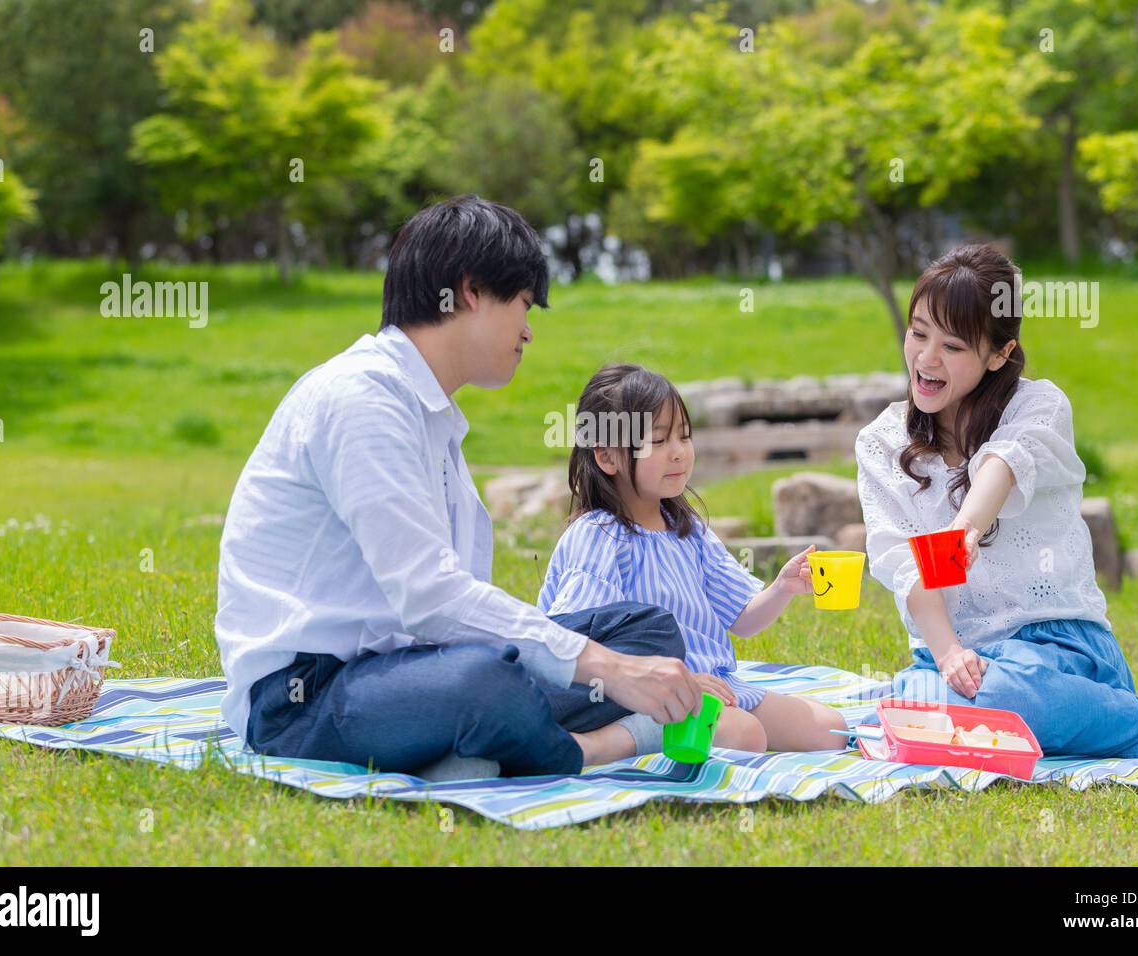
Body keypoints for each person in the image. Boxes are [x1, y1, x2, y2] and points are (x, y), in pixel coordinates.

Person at [214, 195, 700, 781]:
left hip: (409, 670)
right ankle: (589, 748)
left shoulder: (433, 417)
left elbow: (455, 609)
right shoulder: (360, 400)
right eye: (523, 305)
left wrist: (608, 659)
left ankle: (478, 744)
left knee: (645, 632)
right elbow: (430, 597)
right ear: (471, 291)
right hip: (305, 698)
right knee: (486, 681)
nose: (527, 332)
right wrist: (608, 671)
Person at [854, 243, 1138, 756]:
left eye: (952, 346)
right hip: (948, 659)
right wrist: (949, 652)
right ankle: (1120, 726)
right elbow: (904, 565)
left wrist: (965, 530)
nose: (926, 359)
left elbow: (1006, 462)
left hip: (1056, 647)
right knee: (913, 707)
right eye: (919, 333)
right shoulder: (882, 441)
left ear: (1000, 353)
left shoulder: (1038, 406)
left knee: (1003, 694)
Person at [538, 363, 848, 754]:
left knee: (832, 731)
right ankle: (599, 745)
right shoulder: (599, 536)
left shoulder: (688, 530)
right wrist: (673, 681)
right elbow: (578, 640)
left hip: (718, 684)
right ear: (607, 457)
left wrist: (782, 587)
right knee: (744, 736)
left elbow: (744, 618)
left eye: (684, 436)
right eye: (658, 440)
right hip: (641, 691)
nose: (679, 453)